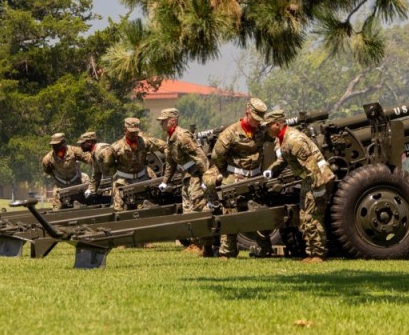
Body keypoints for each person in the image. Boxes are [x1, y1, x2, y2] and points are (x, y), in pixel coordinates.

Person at [263, 109, 336, 263]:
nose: (267, 129)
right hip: (308, 180)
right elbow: (284, 159)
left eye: (269, 125)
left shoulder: (294, 140)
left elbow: (312, 166)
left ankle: (318, 254)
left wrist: (318, 189)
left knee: (313, 217)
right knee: (305, 217)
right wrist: (271, 170)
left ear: (277, 124)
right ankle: (311, 253)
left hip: (317, 179)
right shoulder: (283, 139)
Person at [210, 97, 272, 258]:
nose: (257, 122)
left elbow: (276, 136)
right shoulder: (230, 132)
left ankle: (264, 250)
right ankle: (227, 252)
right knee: (231, 215)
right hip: (234, 178)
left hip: (255, 178)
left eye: (260, 119)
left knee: (260, 215)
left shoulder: (261, 131)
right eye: (255, 118)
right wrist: (227, 174)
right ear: (247, 112)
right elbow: (217, 155)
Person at [155, 107, 213, 255]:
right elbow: (170, 163)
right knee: (188, 210)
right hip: (186, 176)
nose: (161, 125)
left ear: (172, 121)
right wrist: (165, 181)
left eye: (164, 122)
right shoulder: (171, 137)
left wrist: (206, 177)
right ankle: (195, 244)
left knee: (199, 208)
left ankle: (206, 246)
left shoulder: (182, 136)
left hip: (195, 175)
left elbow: (200, 157)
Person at [87, 117, 165, 211]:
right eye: (131, 132)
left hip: (142, 180)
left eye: (136, 132)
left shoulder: (144, 142)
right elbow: (107, 166)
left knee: (148, 208)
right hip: (122, 183)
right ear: (125, 130)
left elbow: (164, 146)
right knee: (119, 210)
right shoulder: (116, 147)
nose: (134, 134)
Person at [41, 133, 93, 209]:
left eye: (57, 144)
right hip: (60, 187)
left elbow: (90, 159)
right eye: (53, 145)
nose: (54, 147)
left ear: (63, 143)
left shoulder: (74, 151)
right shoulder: (47, 159)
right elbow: (47, 170)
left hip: (77, 184)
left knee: (83, 206)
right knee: (56, 209)